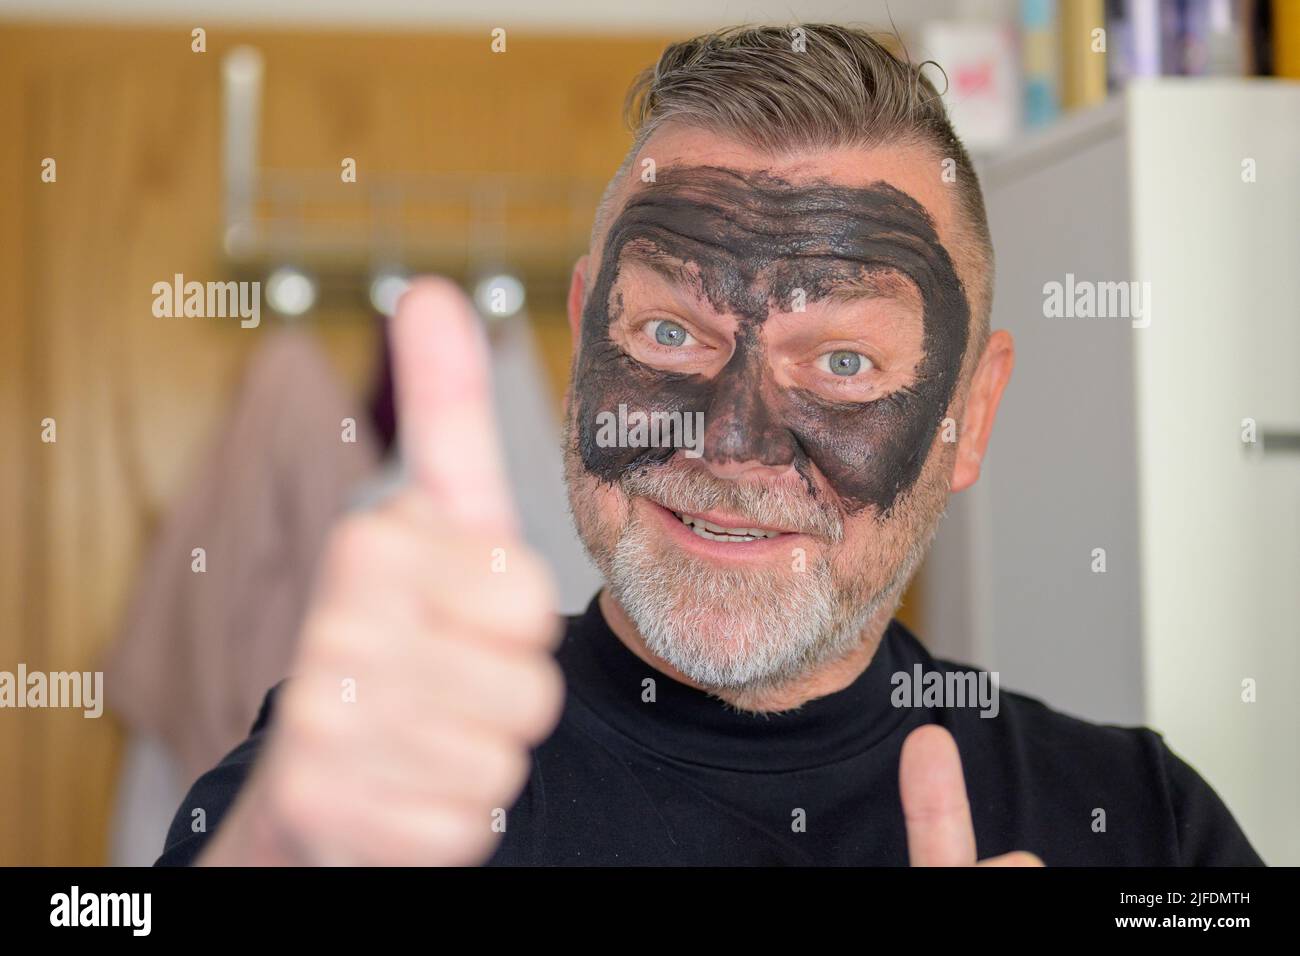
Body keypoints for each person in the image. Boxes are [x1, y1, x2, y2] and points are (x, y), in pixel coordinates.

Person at [158, 24, 1262, 867]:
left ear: (970, 415)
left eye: (839, 363)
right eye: (671, 331)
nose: (733, 440)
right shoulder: (362, 779)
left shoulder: (1143, 825)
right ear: (589, 328)